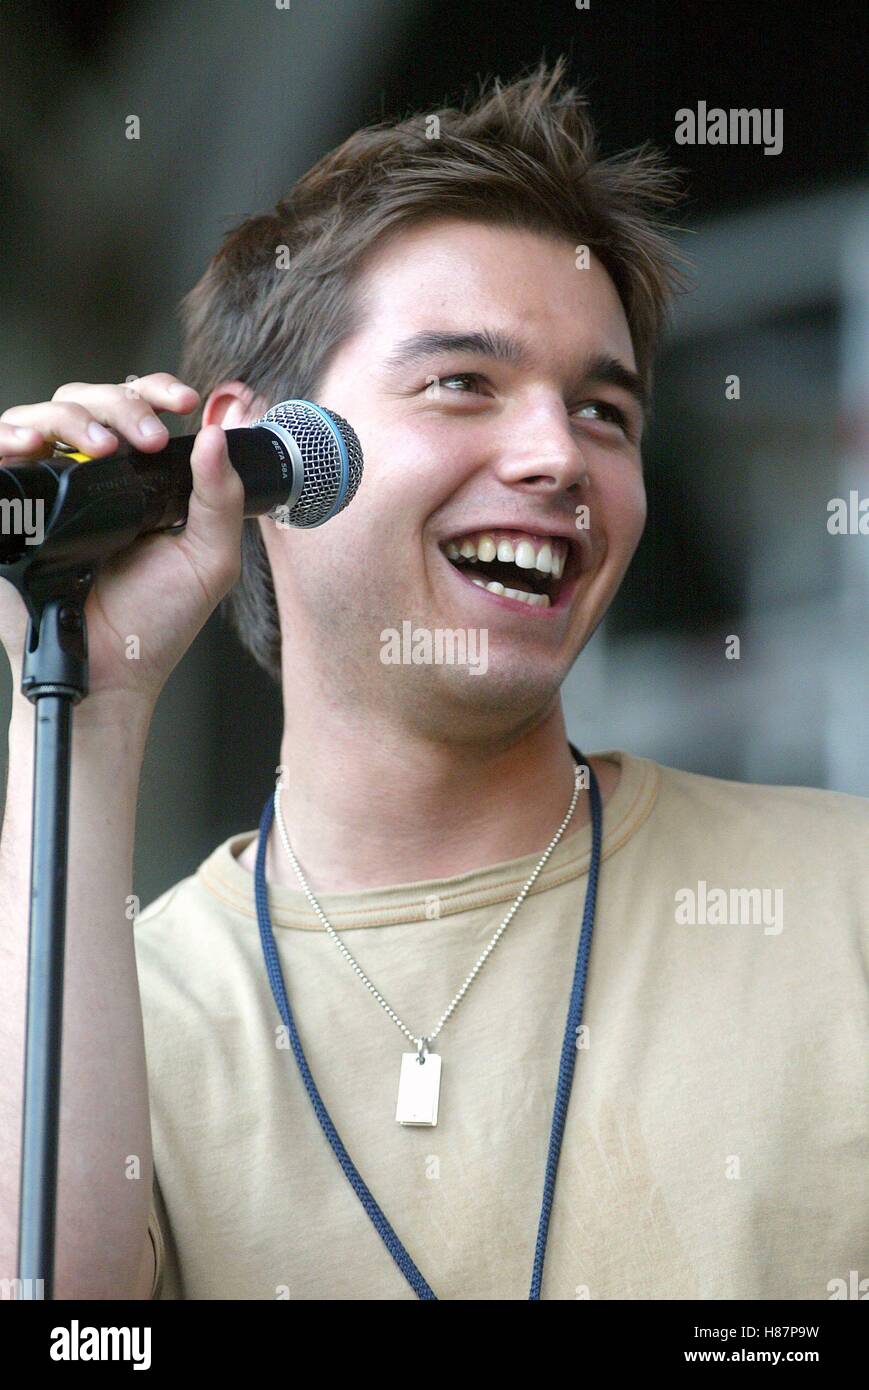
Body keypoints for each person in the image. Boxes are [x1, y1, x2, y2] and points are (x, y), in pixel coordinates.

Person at [1, 59, 865, 1302]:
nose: (555, 455)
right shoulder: (107, 1017)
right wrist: (92, 691)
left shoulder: (841, 902)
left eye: (604, 412)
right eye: (464, 381)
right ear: (266, 456)